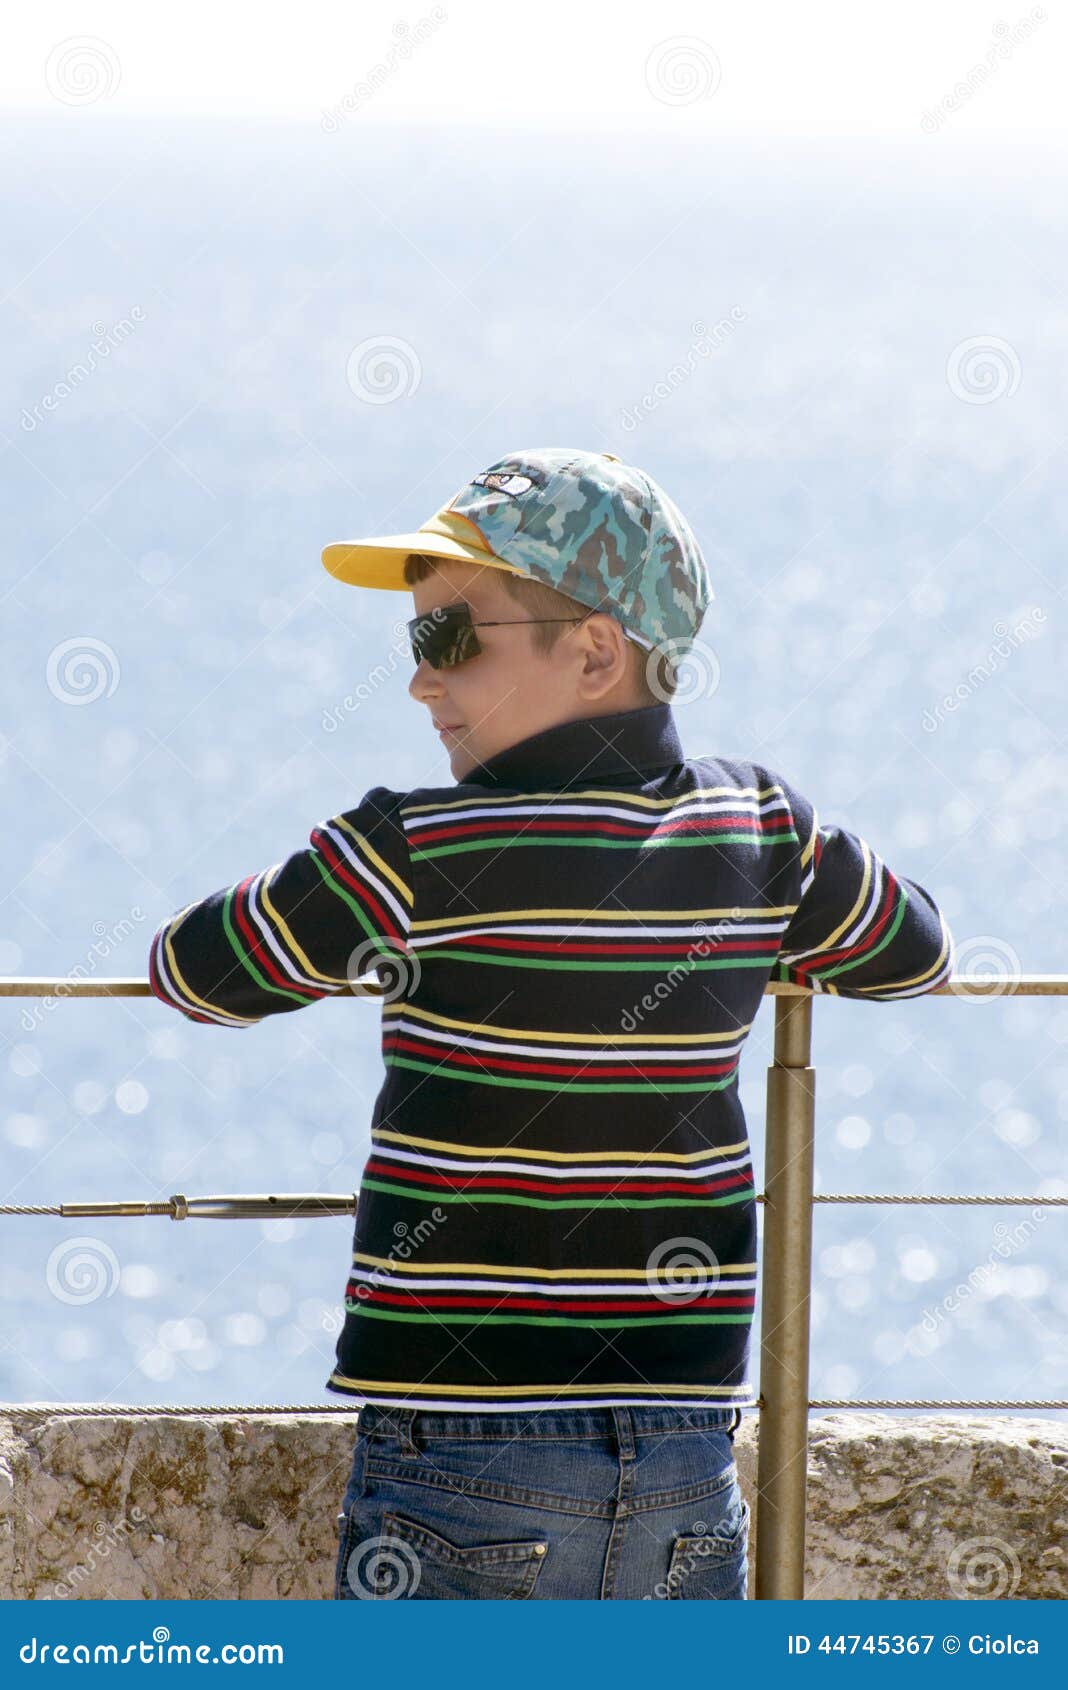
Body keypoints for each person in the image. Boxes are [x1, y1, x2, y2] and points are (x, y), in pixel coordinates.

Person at [147, 446, 954, 1600]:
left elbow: (200, 971)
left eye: (448, 637)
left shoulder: (409, 850)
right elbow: (914, 949)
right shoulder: (762, 827)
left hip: (457, 1459)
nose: (422, 682)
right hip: (682, 1454)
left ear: (594, 651)